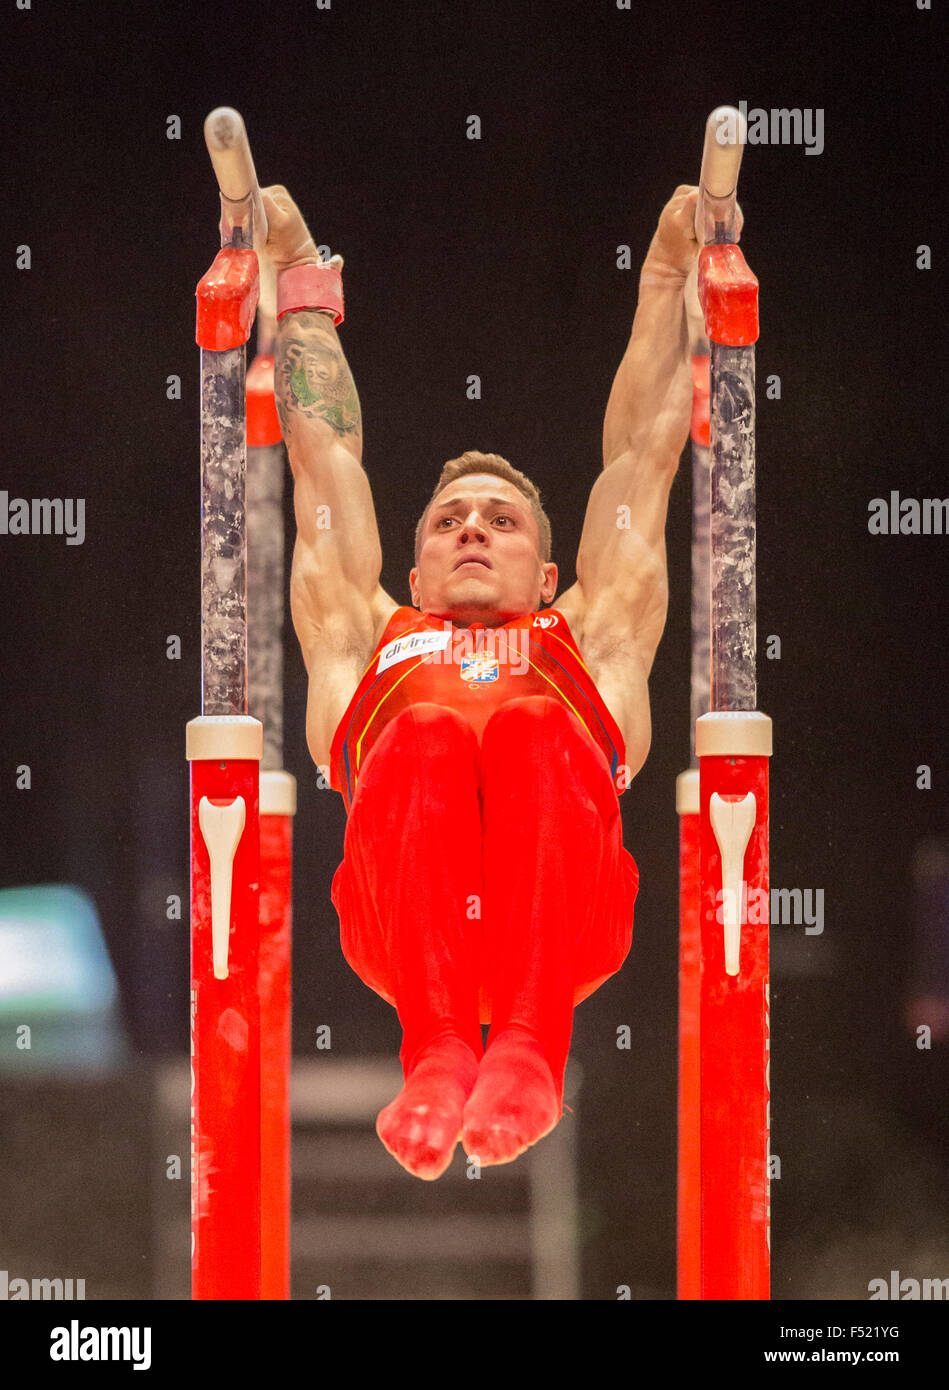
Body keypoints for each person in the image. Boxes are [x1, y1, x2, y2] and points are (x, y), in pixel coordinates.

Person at [261, 182, 700, 1179]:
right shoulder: (366, 630)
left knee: (534, 730)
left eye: (500, 520)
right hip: (404, 929)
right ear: (408, 576)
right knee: (417, 738)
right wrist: (297, 282)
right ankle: (439, 1051)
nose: (471, 527)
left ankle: (533, 1048)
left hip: (568, 917)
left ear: (550, 577)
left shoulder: (587, 630)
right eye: (450, 518)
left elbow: (644, 455)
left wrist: (667, 277)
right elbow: (321, 455)